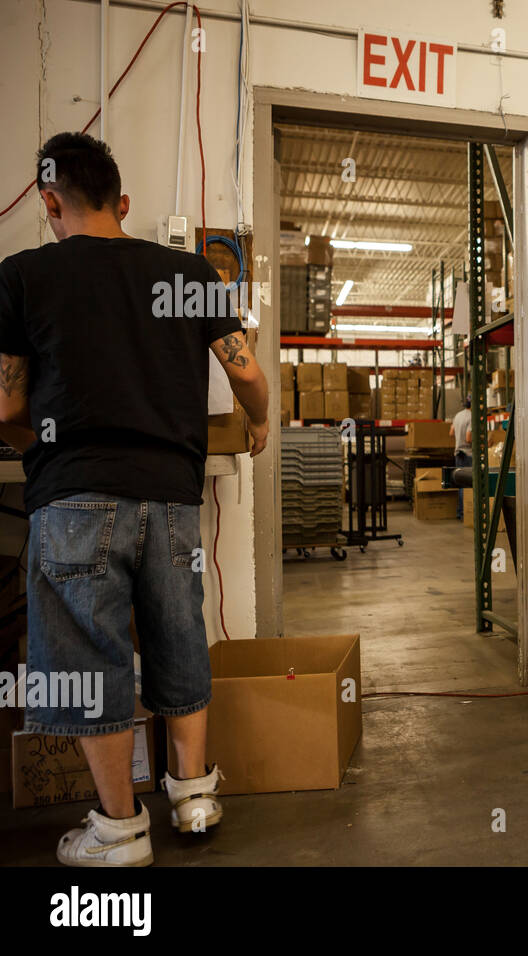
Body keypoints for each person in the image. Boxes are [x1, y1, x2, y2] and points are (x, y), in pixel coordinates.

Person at [0, 132, 269, 866]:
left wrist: (43, 444)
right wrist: (262, 418)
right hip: (172, 498)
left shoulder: (23, 275)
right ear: (123, 203)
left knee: (94, 658)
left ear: (50, 201)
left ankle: (118, 831)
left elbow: (6, 404)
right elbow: (245, 373)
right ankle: (193, 796)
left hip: (76, 497)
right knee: (180, 639)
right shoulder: (188, 272)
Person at [452, 396, 472, 519]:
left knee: (460, 483)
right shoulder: (471, 416)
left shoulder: (458, 415)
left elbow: (451, 432)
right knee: (469, 485)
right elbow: (469, 438)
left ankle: (460, 512)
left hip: (458, 452)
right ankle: (467, 514)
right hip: (468, 454)